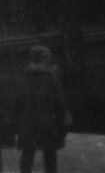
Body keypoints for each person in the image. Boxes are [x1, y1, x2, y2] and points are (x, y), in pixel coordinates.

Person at [14, 45, 69, 173]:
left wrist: (16, 121)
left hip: (28, 122)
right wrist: (64, 117)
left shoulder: (23, 77)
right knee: (50, 154)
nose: (51, 58)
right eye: (48, 56)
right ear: (43, 58)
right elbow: (59, 101)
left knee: (27, 154)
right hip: (48, 121)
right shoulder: (50, 77)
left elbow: (16, 101)